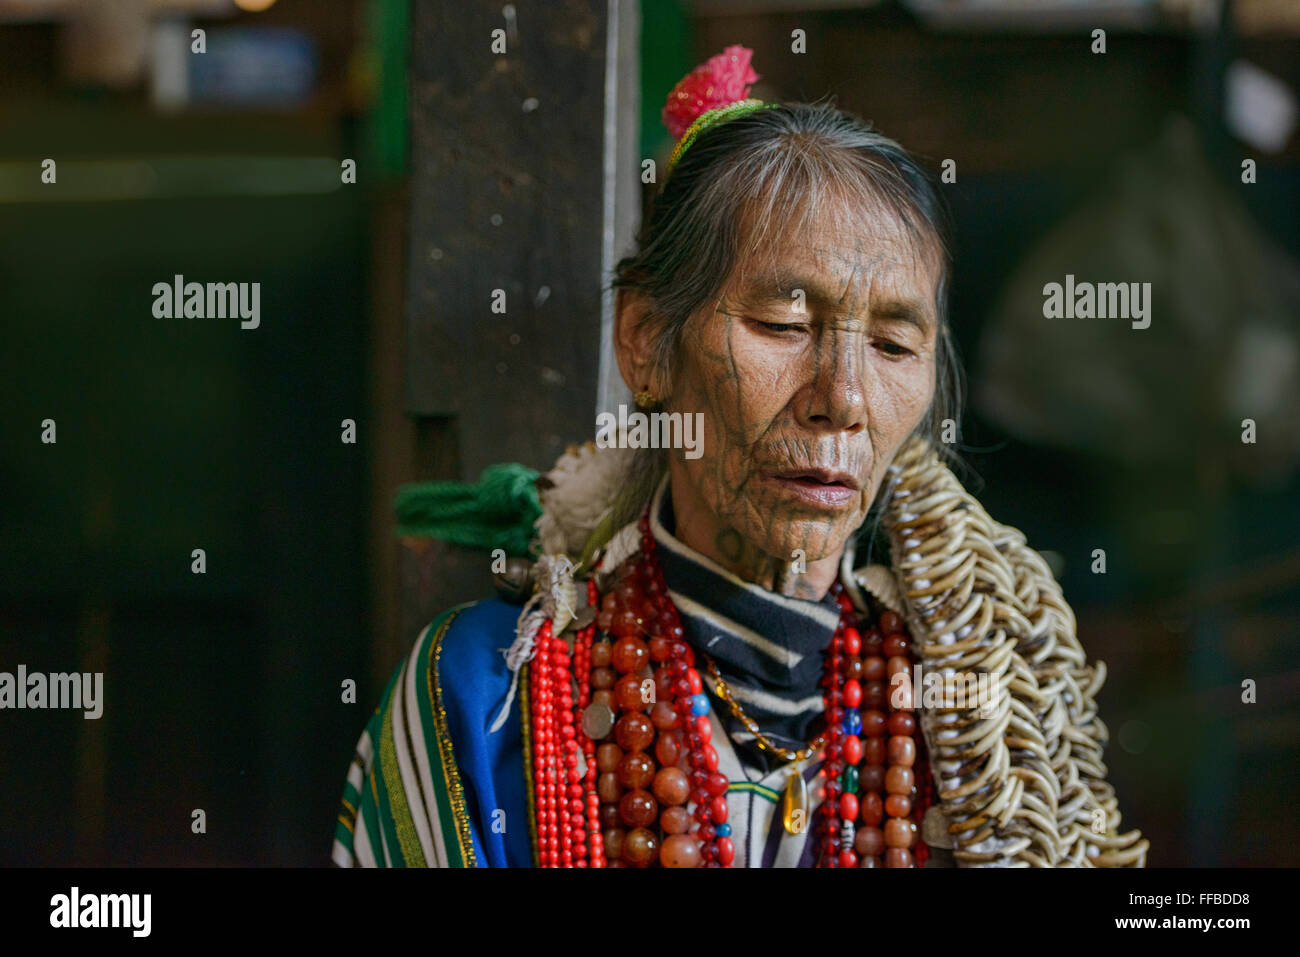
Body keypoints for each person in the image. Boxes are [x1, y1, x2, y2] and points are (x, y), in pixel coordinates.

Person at [331, 45, 1147, 868]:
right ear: (647, 342)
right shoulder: (482, 698)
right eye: (785, 327)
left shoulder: (992, 725)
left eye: (895, 344)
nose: (845, 397)